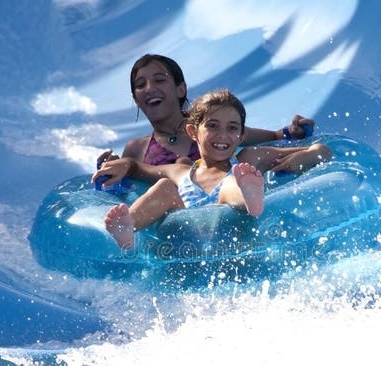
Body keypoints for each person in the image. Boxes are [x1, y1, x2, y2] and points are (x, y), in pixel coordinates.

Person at [95, 88, 332, 250]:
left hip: (235, 235)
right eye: (212, 126)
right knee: (165, 187)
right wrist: (122, 164)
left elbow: (322, 149)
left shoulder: (248, 158)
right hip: (188, 240)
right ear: (192, 132)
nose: (222, 135)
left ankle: (250, 197)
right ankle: (129, 224)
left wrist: (307, 157)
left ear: (241, 136)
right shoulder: (181, 172)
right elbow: (139, 169)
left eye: (232, 128)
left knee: (231, 183)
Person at [95, 53, 315, 185]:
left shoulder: (211, 128)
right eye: (140, 85)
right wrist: (112, 170)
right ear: (136, 100)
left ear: (181, 89)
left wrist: (292, 132)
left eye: (159, 80)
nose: (149, 88)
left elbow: (274, 137)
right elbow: (131, 182)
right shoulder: (136, 149)